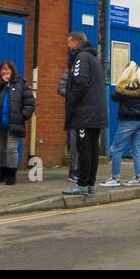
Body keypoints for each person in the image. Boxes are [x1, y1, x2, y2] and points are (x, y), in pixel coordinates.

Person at [62, 31, 106, 196]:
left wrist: (71, 104)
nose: (68, 46)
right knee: (93, 148)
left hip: (85, 113)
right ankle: (90, 184)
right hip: (97, 113)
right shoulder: (95, 58)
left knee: (84, 149)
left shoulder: (81, 57)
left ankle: (81, 184)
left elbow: (80, 83)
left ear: (76, 42)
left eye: (69, 43)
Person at [100, 60, 140, 188]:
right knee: (137, 149)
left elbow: (115, 97)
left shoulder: (124, 88)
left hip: (127, 122)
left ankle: (115, 178)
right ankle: (139, 178)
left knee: (117, 148)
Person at [0, 59, 35, 185]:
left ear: (12, 70)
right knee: (1, 149)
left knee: (11, 148)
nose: (4, 71)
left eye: (7, 68)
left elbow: (30, 103)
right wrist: (1, 82)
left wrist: (23, 116)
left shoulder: (21, 84)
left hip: (14, 122)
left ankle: (11, 175)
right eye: (2, 69)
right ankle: (3, 173)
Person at [57, 47, 80, 183]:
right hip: (73, 112)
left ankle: (81, 171)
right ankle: (72, 171)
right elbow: (60, 88)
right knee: (75, 144)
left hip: (86, 112)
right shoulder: (69, 70)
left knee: (84, 144)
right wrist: (73, 95)